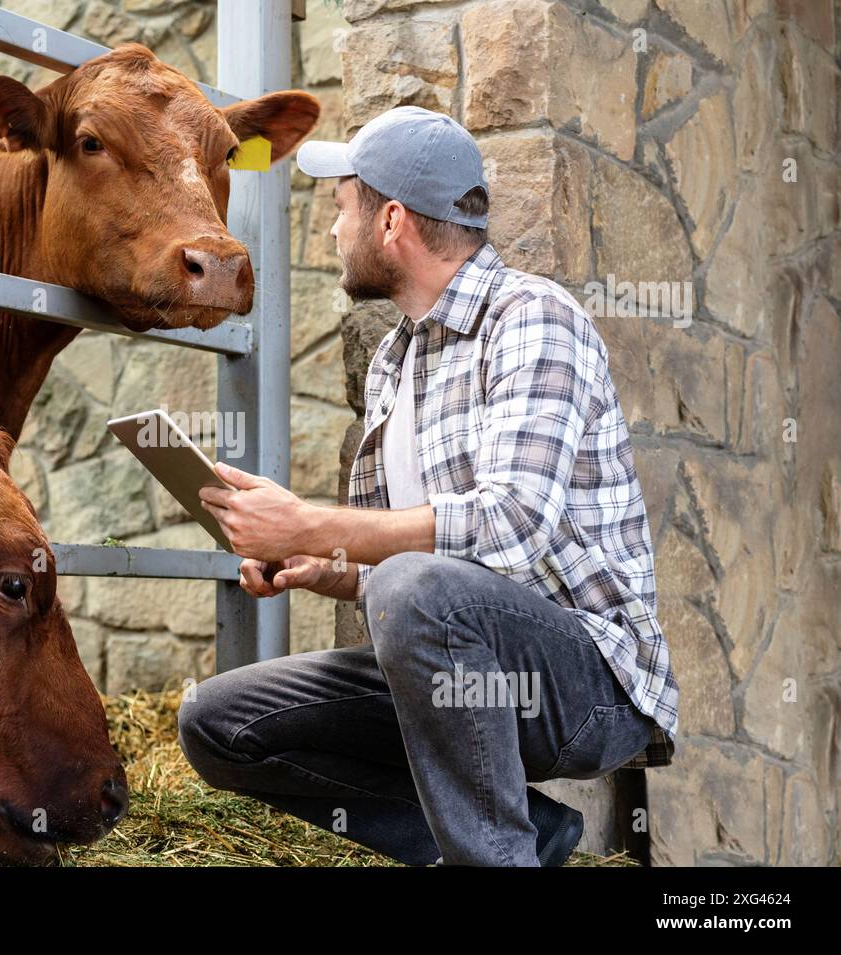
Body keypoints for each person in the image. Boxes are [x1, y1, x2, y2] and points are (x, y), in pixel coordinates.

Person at [181, 106, 679, 867]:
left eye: (340, 208)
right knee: (217, 723)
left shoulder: (532, 319)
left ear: (389, 222)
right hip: (456, 670)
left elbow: (509, 526)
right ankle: (524, 837)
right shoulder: (394, 360)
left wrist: (307, 522)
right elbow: (412, 571)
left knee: (414, 589)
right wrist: (324, 568)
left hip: (590, 684)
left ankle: (493, 859)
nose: (331, 233)